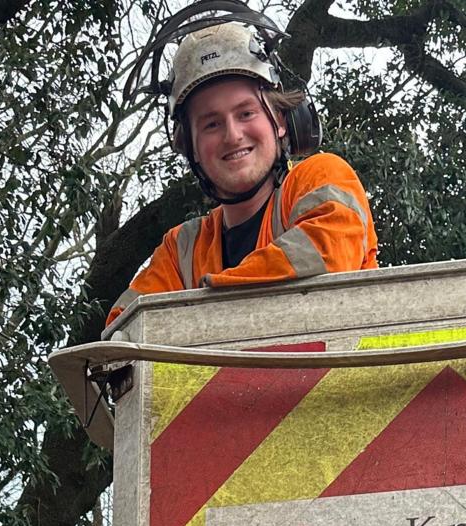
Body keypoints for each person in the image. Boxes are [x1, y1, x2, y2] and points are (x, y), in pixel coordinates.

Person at [108, 13, 378, 324]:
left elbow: (325, 258)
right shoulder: (181, 250)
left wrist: (203, 303)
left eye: (246, 113)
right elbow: (126, 327)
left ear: (279, 120)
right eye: (211, 124)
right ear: (192, 148)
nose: (232, 134)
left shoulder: (322, 176)